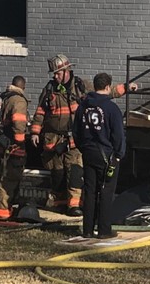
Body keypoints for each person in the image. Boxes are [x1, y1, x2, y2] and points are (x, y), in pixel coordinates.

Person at [32, 55, 137, 216]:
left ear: (67, 71)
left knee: (75, 172)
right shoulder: (49, 90)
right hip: (53, 140)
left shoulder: (81, 86)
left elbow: (105, 94)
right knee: (57, 174)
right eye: (54, 74)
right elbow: (40, 112)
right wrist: (35, 132)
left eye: (58, 73)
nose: (55, 76)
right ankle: (59, 203)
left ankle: (74, 206)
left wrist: (126, 87)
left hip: (74, 139)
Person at [74, 73, 127, 239]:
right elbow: (118, 134)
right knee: (106, 191)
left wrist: (83, 148)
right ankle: (104, 230)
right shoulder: (111, 108)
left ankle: (87, 229)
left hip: (88, 152)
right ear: (107, 87)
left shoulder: (83, 107)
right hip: (107, 155)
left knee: (89, 191)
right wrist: (118, 155)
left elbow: (76, 131)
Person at [0, 76, 30, 221]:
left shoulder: (3, 97)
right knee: (8, 180)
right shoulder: (18, 100)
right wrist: (20, 145)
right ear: (23, 87)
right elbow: (19, 124)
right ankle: (3, 212)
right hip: (12, 149)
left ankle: (1, 208)